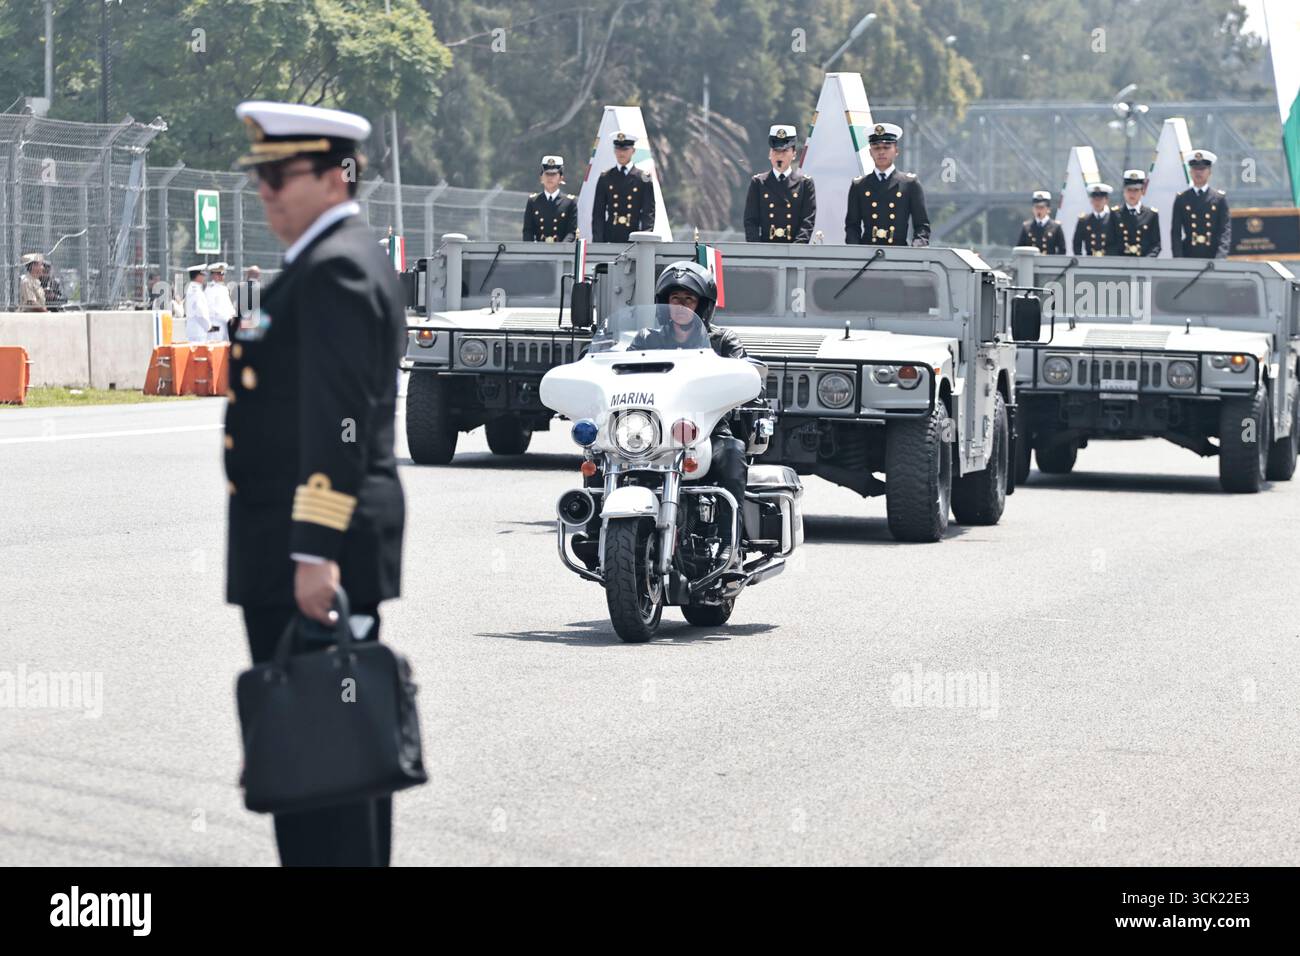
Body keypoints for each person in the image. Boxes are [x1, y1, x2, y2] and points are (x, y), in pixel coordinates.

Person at [226, 99, 407, 867]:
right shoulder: (330, 258)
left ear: (338, 176)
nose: (264, 191)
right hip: (299, 548)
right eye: (259, 176)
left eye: (279, 174)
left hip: (307, 557)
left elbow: (340, 425)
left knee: (322, 775)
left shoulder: (334, 267)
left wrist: (311, 552)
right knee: (327, 765)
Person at [629, 261, 748, 513]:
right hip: (652, 430)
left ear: (702, 305)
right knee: (601, 453)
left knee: (732, 453)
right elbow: (622, 377)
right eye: (675, 298)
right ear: (665, 303)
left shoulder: (724, 341)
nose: (681, 306)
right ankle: (595, 529)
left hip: (707, 430)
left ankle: (731, 536)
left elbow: (745, 377)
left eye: (689, 299)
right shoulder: (646, 340)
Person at [845, 123, 930, 246]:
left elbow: (922, 225)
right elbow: (852, 225)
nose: (881, 152)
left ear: (896, 151)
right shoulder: (859, 185)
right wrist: (856, 252)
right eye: (876, 148)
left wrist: (916, 248)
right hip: (866, 254)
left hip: (899, 253)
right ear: (870, 152)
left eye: (886, 147)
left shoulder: (910, 184)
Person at [742, 124, 817, 243]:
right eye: (775, 151)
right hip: (765, 250)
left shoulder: (805, 184)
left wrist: (797, 249)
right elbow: (751, 221)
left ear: (794, 154)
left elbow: (808, 221)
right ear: (769, 154)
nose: (779, 155)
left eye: (784, 151)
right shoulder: (759, 183)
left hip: (794, 251)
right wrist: (756, 249)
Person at [591, 131, 655, 242]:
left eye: (625, 149)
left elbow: (648, 213)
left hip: (634, 235)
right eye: (618, 149)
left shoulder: (643, 178)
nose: (621, 153)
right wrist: (598, 241)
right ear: (614, 151)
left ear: (633, 151)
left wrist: (645, 239)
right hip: (610, 235)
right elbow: (598, 213)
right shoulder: (606, 177)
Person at [1171, 149, 1230, 259]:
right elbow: (1176, 232)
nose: (1199, 172)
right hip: (1188, 254)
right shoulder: (1182, 198)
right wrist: (1178, 258)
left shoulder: (1219, 199)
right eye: (1195, 169)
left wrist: (1220, 257)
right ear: (1190, 172)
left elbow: (1225, 231)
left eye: (1202, 169)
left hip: (1212, 255)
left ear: (1209, 172)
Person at [522, 155, 577, 242]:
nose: (550, 178)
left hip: (562, 251)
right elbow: (528, 231)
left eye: (554, 174)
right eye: (547, 174)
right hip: (538, 251)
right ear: (541, 177)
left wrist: (561, 249)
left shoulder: (569, 202)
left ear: (561, 178)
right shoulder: (533, 201)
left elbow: (571, 232)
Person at [1106, 170, 1161, 257]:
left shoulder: (1151, 215)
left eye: (1136, 190)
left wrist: (1147, 260)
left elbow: (1155, 244)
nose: (1132, 194)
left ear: (1142, 191)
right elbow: (1109, 243)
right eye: (1129, 190)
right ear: (1124, 191)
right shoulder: (1115, 214)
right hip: (1121, 264)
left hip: (1144, 264)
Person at [1072, 183, 1113, 256]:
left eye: (1100, 199)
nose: (1097, 202)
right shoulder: (1084, 220)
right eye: (1095, 199)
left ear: (1106, 200)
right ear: (1091, 201)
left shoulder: (1113, 218)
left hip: (1109, 259)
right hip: (1090, 259)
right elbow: (1077, 243)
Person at [184, 264, 217, 341]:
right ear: (198, 276)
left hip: (195, 330)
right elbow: (200, 313)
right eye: (203, 275)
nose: (204, 277)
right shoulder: (196, 291)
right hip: (198, 331)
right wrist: (209, 327)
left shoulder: (193, 288)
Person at [205, 262, 235, 341]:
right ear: (213, 275)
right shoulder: (210, 290)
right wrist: (228, 317)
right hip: (215, 324)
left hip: (224, 324)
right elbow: (212, 309)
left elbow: (228, 305)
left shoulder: (224, 289)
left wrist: (232, 315)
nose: (222, 276)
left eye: (222, 274)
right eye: (219, 274)